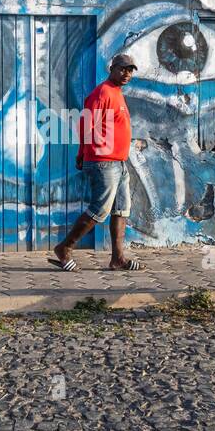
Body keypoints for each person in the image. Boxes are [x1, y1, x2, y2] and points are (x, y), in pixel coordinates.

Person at [50, 53, 146, 271]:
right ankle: (64, 248)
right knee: (99, 210)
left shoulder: (117, 93)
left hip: (119, 162)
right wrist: (82, 154)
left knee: (121, 209)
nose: (127, 73)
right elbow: (85, 125)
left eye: (130, 70)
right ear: (111, 69)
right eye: (122, 69)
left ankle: (117, 259)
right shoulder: (102, 93)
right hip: (104, 161)